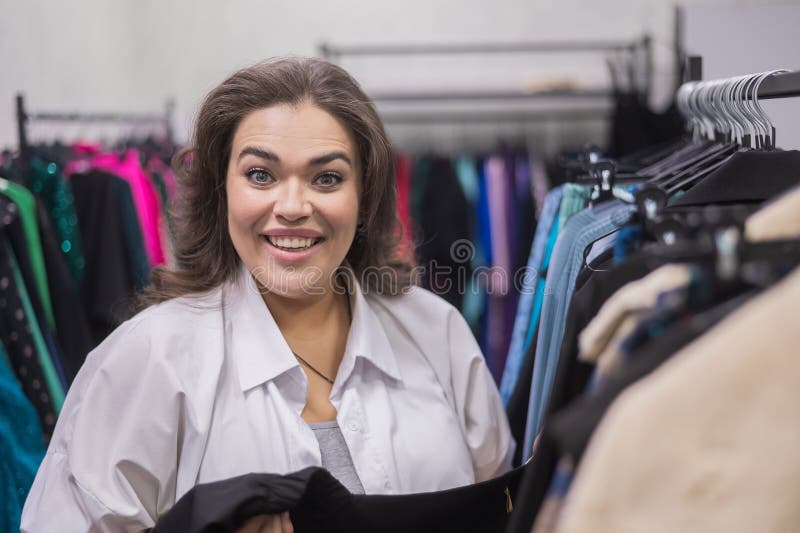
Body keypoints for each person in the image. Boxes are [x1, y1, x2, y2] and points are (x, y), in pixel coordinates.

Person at [20, 57, 513, 532]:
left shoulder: (436, 333)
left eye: (327, 178)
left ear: (364, 196)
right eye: (261, 175)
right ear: (221, 190)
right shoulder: (149, 360)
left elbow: (505, 508)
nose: (293, 206)